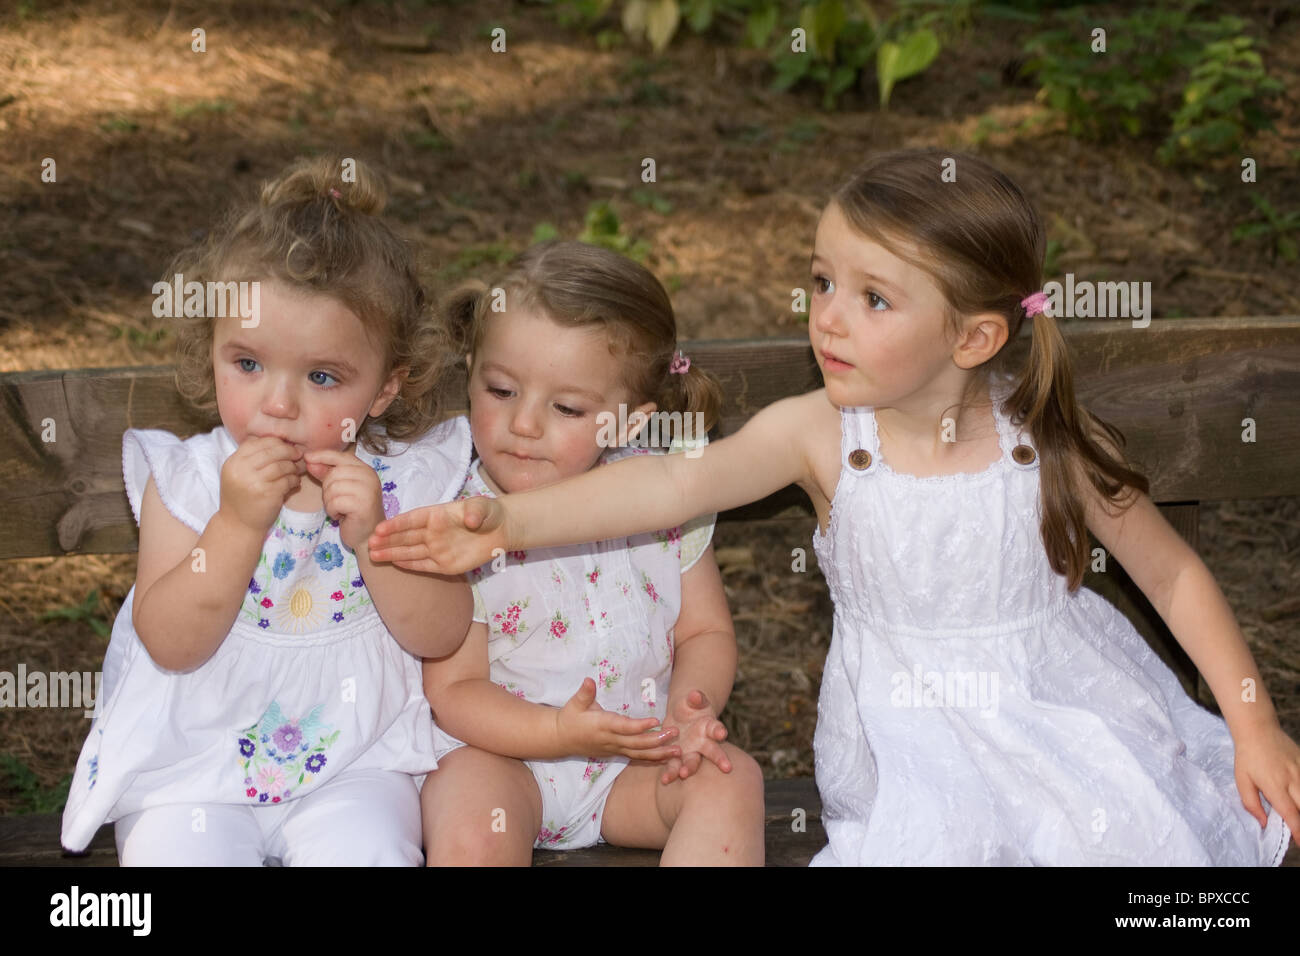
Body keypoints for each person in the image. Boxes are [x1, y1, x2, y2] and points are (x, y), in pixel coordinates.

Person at [371, 150, 1299, 865]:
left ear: (975, 336)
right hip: (912, 747)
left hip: (1062, 710)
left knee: (1140, 859)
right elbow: (674, 482)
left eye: (872, 298)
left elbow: (1170, 574)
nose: (828, 317)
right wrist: (509, 524)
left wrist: (1252, 723)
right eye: (822, 282)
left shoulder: (1048, 439)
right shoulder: (820, 433)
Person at [61, 157, 474, 865]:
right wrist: (237, 525)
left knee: (367, 852)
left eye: (321, 377)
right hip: (194, 767)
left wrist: (373, 537)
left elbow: (442, 631)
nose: (278, 404)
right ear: (212, 348)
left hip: (355, 758)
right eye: (247, 364)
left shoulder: (404, 481)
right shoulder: (189, 481)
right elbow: (169, 640)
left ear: (383, 389)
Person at [420, 241, 764, 865]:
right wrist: (554, 733)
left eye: (566, 408)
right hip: (502, 762)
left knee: (731, 779)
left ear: (631, 422)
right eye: (500, 390)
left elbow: (705, 631)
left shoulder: (662, 503)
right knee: (473, 823)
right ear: (470, 374)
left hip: (629, 768)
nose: (524, 423)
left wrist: (693, 711)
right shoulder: (457, 520)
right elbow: (456, 690)